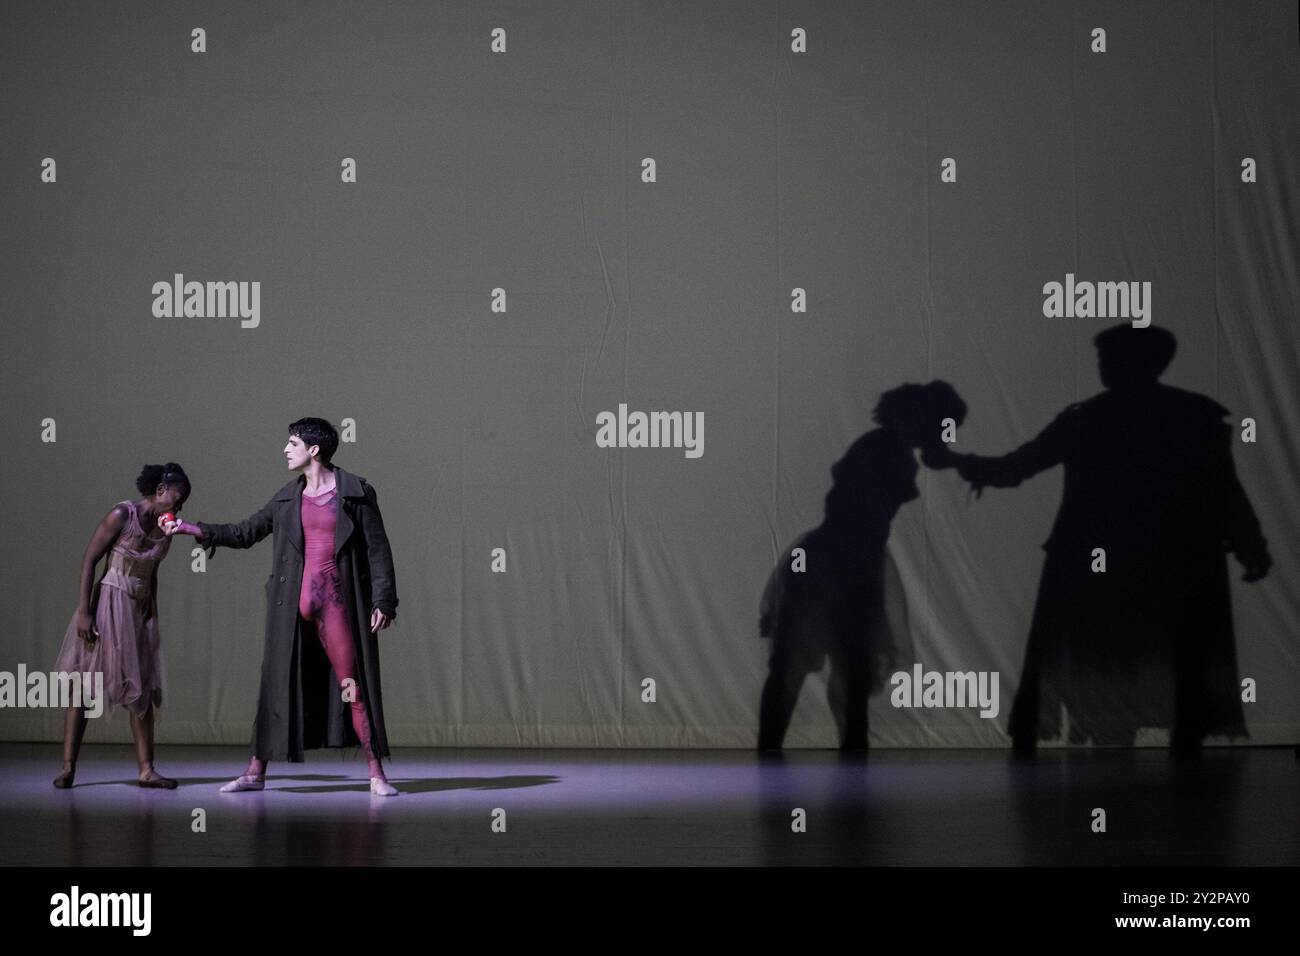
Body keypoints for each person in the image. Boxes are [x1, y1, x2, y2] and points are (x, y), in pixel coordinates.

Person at [924, 325, 1270, 752]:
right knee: (1179, 663)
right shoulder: (1195, 417)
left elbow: (1016, 468)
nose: (1103, 367)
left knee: (1105, 658)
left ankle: (1114, 766)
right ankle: (1182, 777)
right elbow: (1224, 490)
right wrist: (1251, 546)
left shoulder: (1086, 419)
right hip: (1176, 561)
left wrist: (957, 460)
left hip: (1096, 562)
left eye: (1109, 359)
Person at [172, 418, 400, 795]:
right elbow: (245, 532)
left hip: (336, 604)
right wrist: (191, 529)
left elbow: (379, 551)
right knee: (275, 686)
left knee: (351, 686)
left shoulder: (355, 493)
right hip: (292, 607)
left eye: (292, 443)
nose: (285, 449)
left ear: (314, 450)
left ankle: (377, 774)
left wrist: (384, 601)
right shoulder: (286, 499)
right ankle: (254, 773)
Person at [757, 381, 965, 751]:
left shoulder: (887, 449)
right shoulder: (887, 451)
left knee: (822, 666)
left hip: (844, 559)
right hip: (846, 562)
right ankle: (826, 755)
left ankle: (783, 750)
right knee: (831, 665)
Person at [52, 463, 192, 789]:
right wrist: (84, 612)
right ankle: (68, 767)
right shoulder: (122, 515)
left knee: (140, 687)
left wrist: (150, 614)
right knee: (84, 686)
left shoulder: (166, 527)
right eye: (178, 494)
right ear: (159, 489)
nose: (181, 502)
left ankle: (146, 770)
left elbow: (151, 573)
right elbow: (89, 559)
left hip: (138, 611)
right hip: (107, 605)